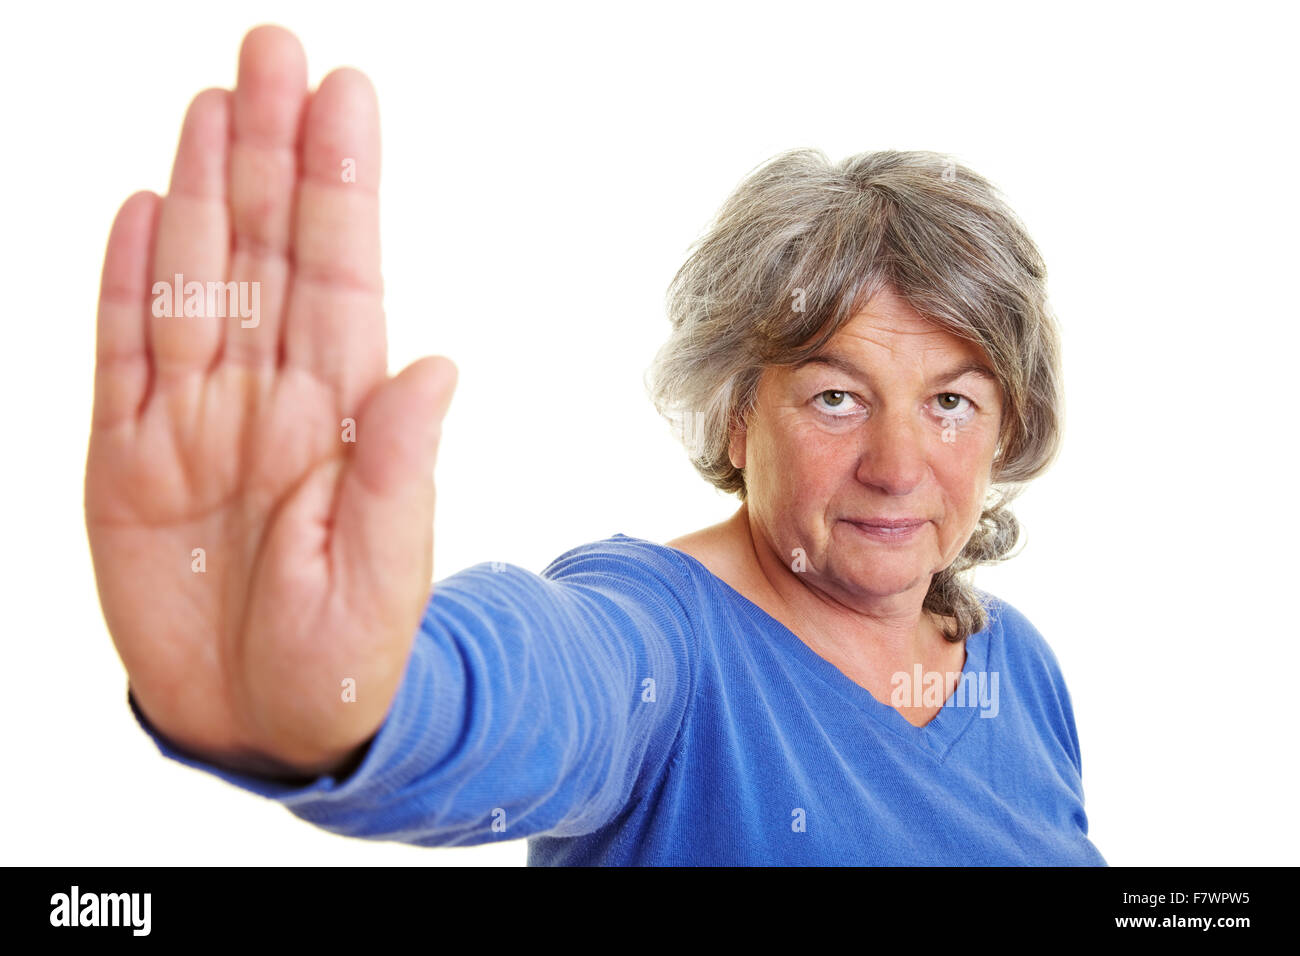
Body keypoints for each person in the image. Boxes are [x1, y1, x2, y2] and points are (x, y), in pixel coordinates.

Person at [86, 24, 1105, 865]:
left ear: (1007, 422)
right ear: (737, 410)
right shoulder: (664, 634)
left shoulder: (1015, 665)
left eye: (950, 403)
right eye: (836, 397)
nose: (896, 463)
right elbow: (552, 682)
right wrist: (367, 699)